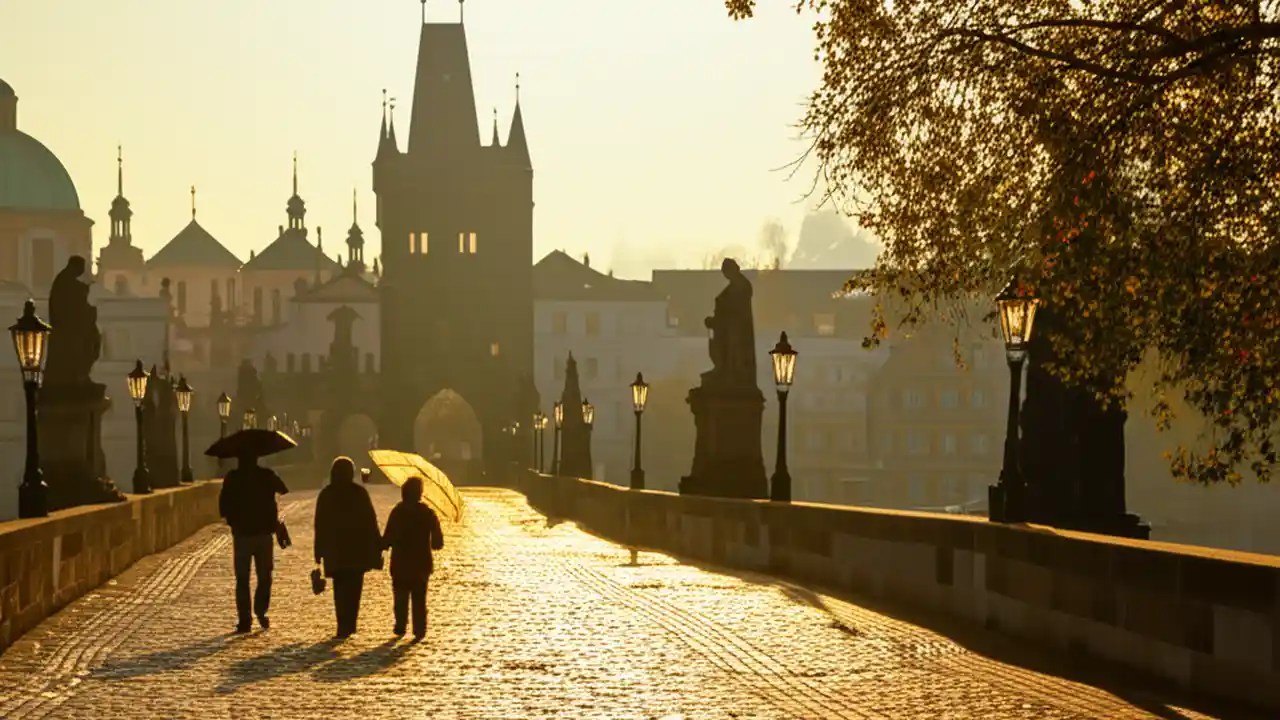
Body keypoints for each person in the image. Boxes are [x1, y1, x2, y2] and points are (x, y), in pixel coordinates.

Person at [218, 453, 289, 633]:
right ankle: (260, 610)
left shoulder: (233, 478)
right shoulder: (265, 475)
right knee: (264, 576)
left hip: (242, 534)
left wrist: (234, 520)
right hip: (263, 534)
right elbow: (283, 489)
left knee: (242, 578)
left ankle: (244, 619)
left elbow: (223, 507)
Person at [314, 457, 382, 639]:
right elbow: (370, 520)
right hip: (356, 548)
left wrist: (318, 549)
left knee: (340, 586)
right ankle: (350, 622)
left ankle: (342, 623)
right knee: (355, 586)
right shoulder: (359, 493)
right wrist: (377, 542)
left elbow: (319, 523)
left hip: (335, 549)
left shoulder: (327, 494)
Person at [382, 476, 444, 640]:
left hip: (400, 563)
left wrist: (380, 545)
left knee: (400, 597)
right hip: (421, 563)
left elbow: (387, 538)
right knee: (419, 598)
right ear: (419, 493)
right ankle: (419, 629)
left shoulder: (397, 512)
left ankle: (401, 625)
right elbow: (438, 542)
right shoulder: (428, 513)